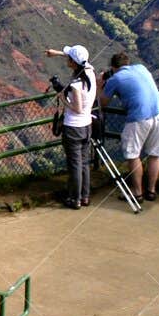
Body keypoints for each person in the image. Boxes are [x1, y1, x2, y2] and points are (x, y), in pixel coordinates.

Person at [100, 51, 159, 202]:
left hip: (139, 117)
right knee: (155, 155)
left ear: (113, 67)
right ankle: (151, 191)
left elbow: (102, 103)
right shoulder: (141, 68)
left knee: (133, 155)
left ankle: (137, 193)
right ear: (127, 63)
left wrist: (101, 85)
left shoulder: (115, 79)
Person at [45, 44, 96, 209]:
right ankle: (85, 196)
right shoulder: (90, 72)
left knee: (75, 165)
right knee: (84, 162)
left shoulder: (76, 84)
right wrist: (56, 53)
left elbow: (78, 108)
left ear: (73, 62)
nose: (66, 58)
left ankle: (75, 199)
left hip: (73, 127)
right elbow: (77, 57)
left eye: (69, 58)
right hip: (87, 126)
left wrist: (62, 97)